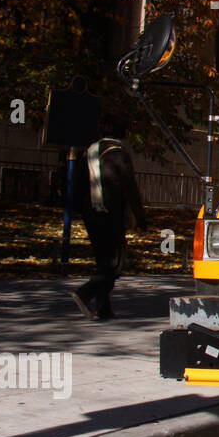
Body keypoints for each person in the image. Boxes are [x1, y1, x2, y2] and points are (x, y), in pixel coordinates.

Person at [70, 114, 147, 320]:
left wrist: (82, 210)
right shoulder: (118, 153)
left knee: (102, 261)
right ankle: (85, 292)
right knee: (116, 262)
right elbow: (130, 187)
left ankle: (103, 308)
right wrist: (140, 217)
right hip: (111, 213)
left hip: (91, 213)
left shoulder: (88, 153)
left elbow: (77, 187)